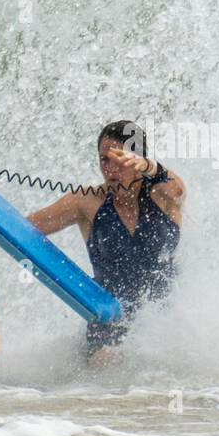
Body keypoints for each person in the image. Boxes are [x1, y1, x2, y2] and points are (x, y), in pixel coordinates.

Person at [28, 121, 185, 364]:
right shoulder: (86, 202)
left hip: (165, 328)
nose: (110, 169)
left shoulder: (161, 195)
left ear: (138, 161)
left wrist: (150, 167)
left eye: (118, 159)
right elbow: (25, 228)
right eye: (104, 160)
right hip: (109, 326)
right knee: (107, 362)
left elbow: (179, 191)